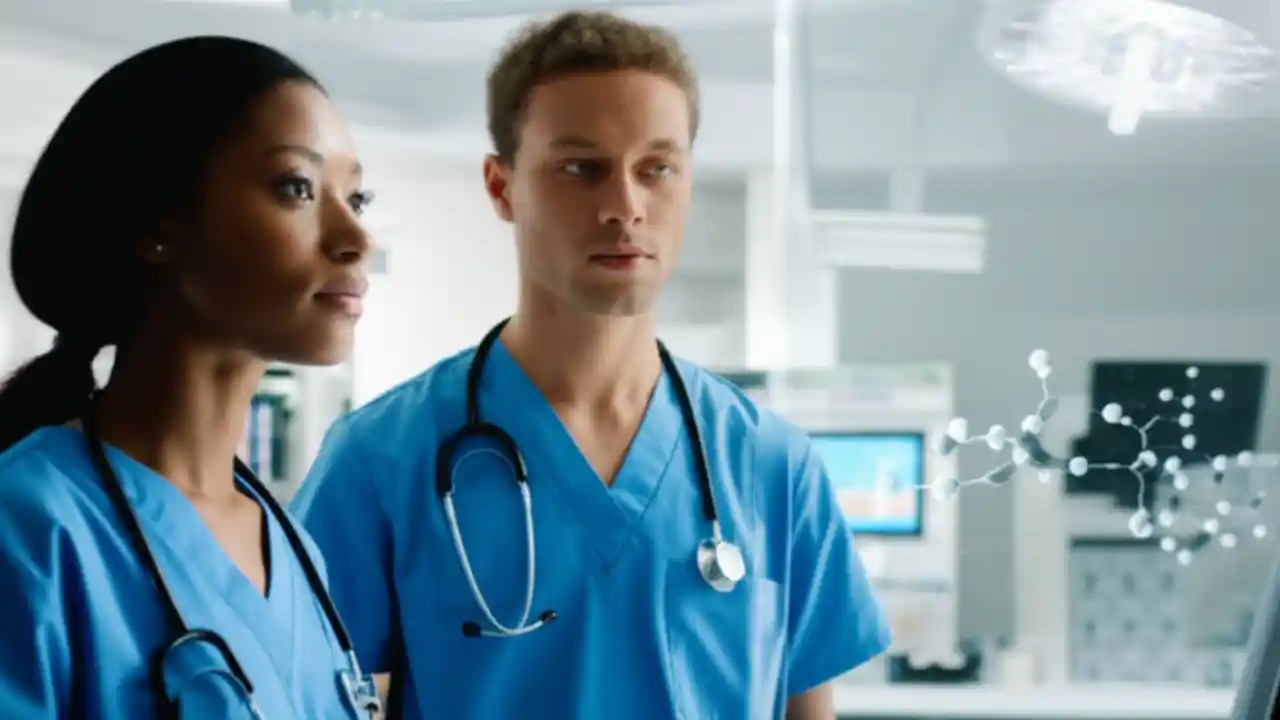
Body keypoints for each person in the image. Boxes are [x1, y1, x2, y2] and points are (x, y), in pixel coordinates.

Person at [293, 10, 890, 719]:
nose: (625, 206)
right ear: (500, 186)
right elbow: (310, 694)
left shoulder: (773, 468)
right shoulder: (380, 461)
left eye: (657, 169)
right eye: (582, 169)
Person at [0, 36, 381, 718]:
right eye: (297, 187)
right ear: (159, 225)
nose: (355, 237)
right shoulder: (30, 528)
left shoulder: (295, 552)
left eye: (358, 197)